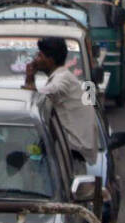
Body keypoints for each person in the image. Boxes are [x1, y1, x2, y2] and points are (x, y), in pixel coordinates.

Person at [22, 36, 98, 166]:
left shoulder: (62, 78)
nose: (36, 60)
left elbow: (52, 91)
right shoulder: (62, 76)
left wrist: (30, 82)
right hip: (70, 150)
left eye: (40, 56)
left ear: (50, 60)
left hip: (73, 152)